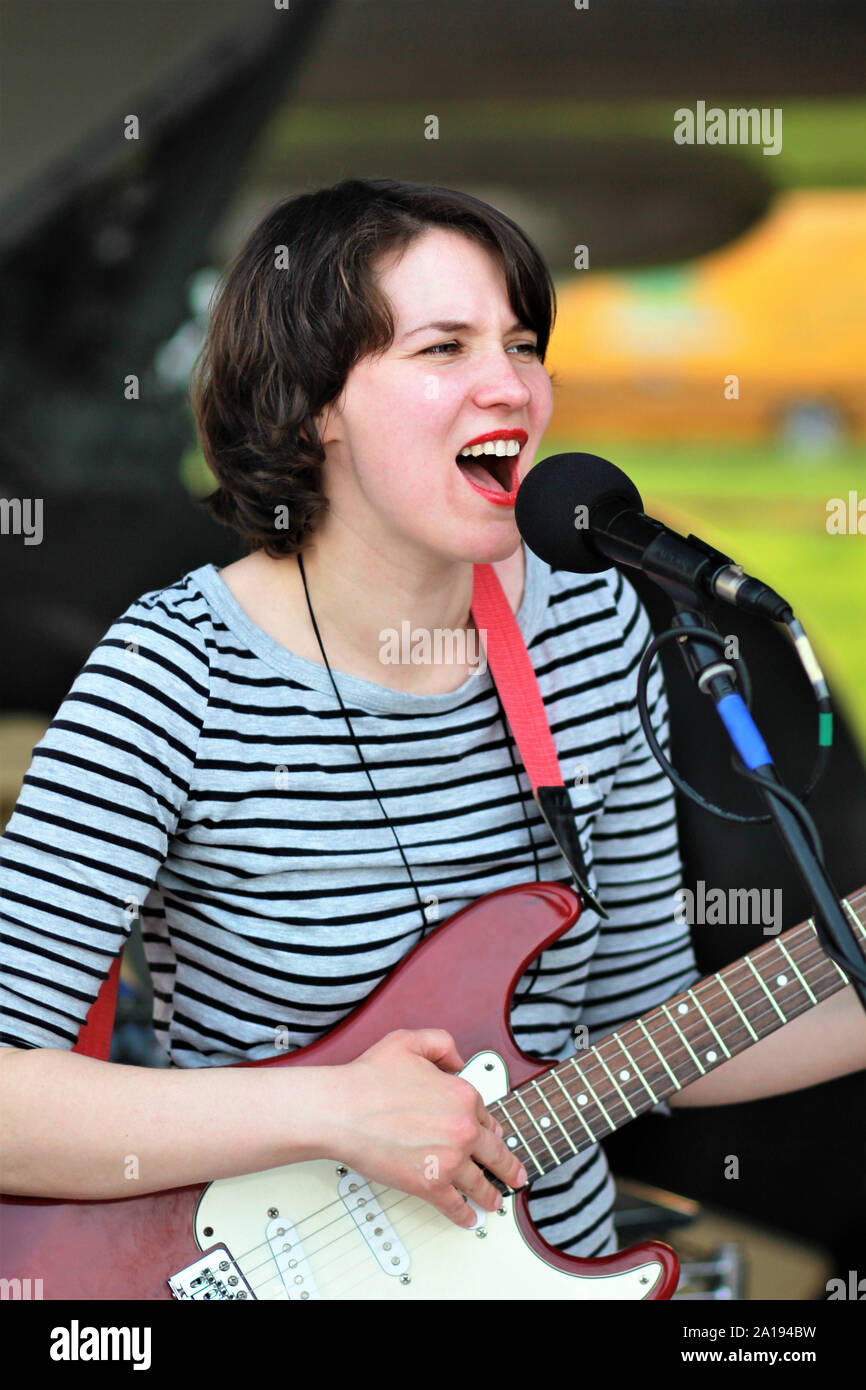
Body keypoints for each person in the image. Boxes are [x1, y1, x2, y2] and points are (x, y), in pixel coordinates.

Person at [1, 179, 863, 1272]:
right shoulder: (173, 675)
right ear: (315, 404)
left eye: (520, 344)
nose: (507, 387)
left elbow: (646, 1033)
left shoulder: (592, 626)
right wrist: (333, 1113)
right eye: (444, 349)